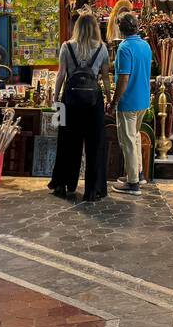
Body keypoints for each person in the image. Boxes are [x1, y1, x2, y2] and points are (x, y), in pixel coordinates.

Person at [49, 11, 111, 203]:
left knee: (67, 142)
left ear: (76, 27)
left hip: (70, 102)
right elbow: (106, 76)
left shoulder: (66, 47)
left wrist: (56, 97)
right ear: (94, 28)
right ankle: (93, 190)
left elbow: (61, 75)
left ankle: (64, 184)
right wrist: (109, 97)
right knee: (95, 145)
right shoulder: (102, 48)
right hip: (94, 102)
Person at [111, 12, 153, 196]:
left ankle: (132, 182)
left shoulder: (124, 48)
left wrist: (114, 101)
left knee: (127, 141)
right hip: (143, 99)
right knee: (134, 136)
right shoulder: (145, 45)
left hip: (129, 101)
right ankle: (138, 173)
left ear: (121, 28)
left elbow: (123, 79)